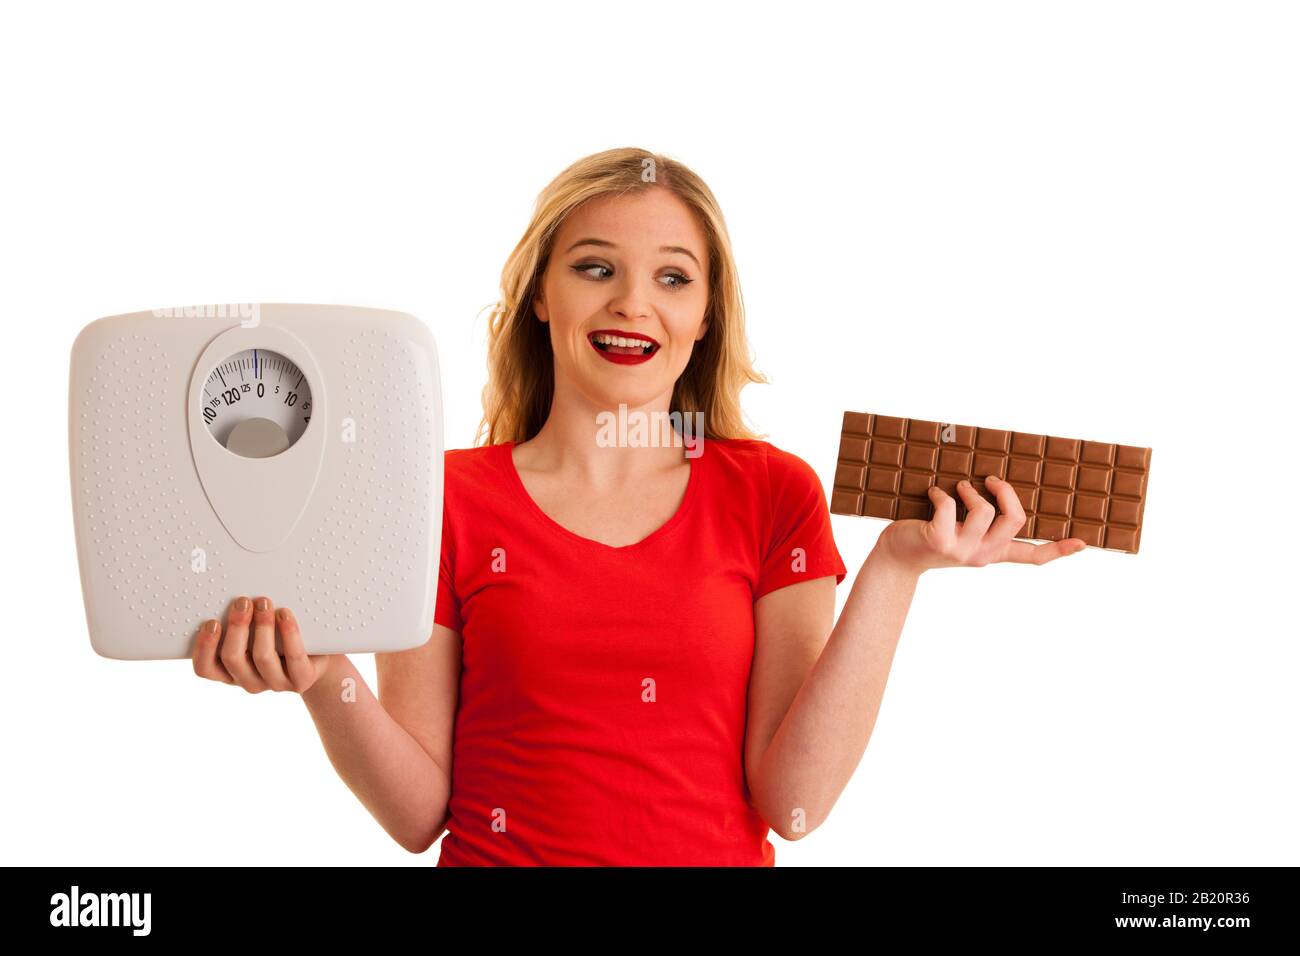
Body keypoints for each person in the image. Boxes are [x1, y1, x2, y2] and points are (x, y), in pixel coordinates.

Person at [192, 147, 1086, 866]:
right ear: (541, 297)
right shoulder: (444, 498)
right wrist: (319, 675)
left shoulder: (771, 492)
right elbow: (420, 813)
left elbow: (793, 806)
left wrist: (897, 569)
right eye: (594, 268)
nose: (632, 303)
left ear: (706, 317)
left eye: (673, 278)